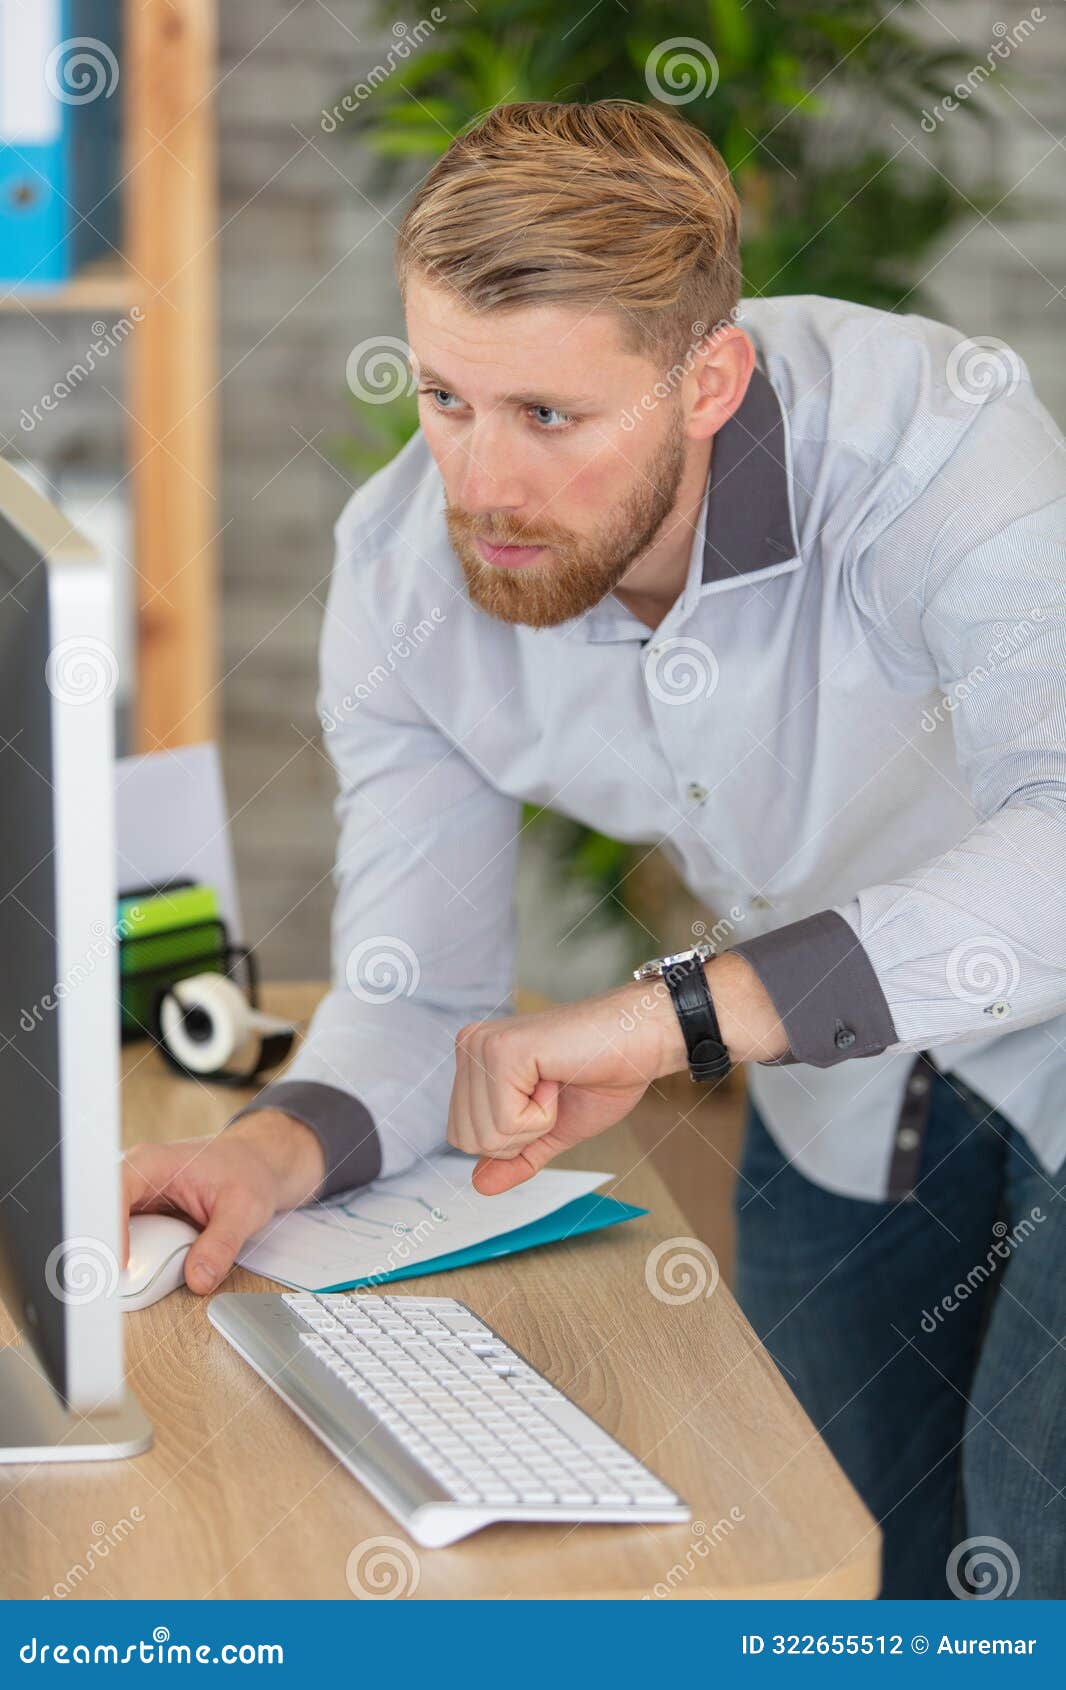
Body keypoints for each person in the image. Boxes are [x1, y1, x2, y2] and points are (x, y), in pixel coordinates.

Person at [123, 100, 1065, 1598]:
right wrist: (262, 1153)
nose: (478, 487)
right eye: (444, 397)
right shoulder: (402, 586)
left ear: (708, 378)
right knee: (835, 1561)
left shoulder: (931, 444)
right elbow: (416, 991)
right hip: (844, 1087)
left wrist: (670, 1012)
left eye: (547, 416)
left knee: (1031, 1559)